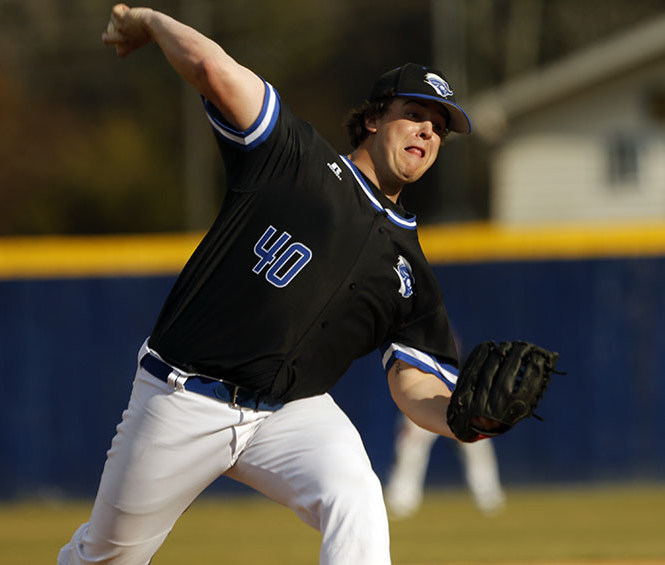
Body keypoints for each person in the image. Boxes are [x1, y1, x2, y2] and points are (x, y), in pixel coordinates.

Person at [59, 4, 486, 564]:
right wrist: (151, 21)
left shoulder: (411, 269)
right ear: (374, 119)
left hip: (289, 413)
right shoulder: (292, 157)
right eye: (415, 114)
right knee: (106, 558)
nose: (428, 131)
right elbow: (212, 70)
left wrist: (463, 418)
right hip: (184, 398)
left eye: (440, 128)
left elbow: (414, 383)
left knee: (357, 497)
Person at [384, 415, 506, 520]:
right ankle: (401, 498)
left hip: (461, 399)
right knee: (412, 440)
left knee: (476, 442)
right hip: (426, 399)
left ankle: (488, 495)